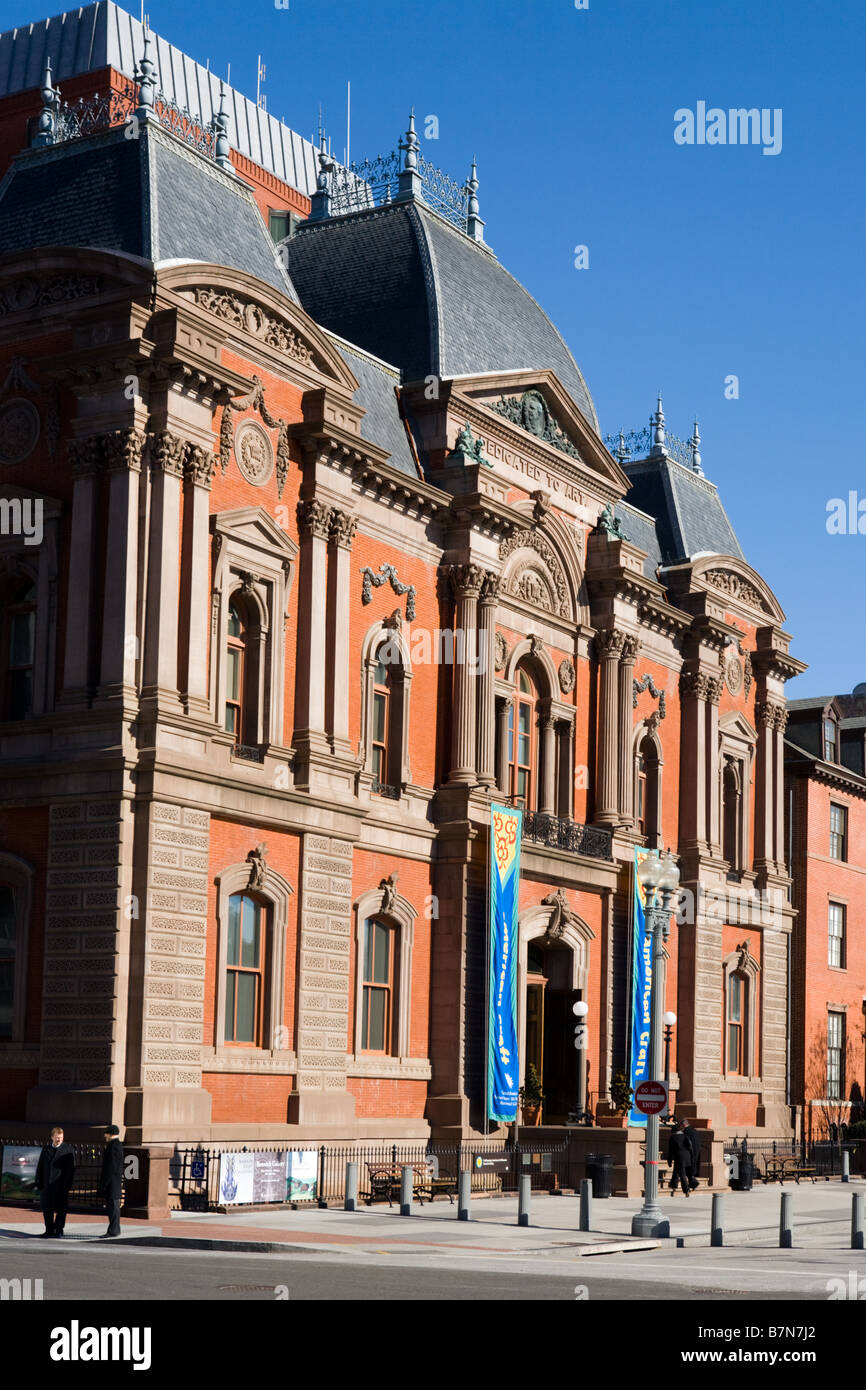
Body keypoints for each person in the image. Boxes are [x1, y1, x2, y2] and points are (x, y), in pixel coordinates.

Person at [35, 1126, 75, 1238]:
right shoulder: (46, 1149)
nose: (59, 1140)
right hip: (47, 1185)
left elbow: (71, 1170)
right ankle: (49, 1230)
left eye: (61, 1137)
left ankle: (59, 1229)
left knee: (61, 1209)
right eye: (57, 1137)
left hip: (61, 1185)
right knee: (47, 1209)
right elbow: (40, 1166)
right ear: (52, 1137)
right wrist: (38, 1181)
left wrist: (67, 1185)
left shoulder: (68, 1150)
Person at [99, 1124, 124, 1238]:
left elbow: (111, 1167)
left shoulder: (113, 1146)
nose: (105, 1136)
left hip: (112, 1183)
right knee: (113, 1207)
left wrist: (104, 1183)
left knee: (113, 1208)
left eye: (106, 1133)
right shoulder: (117, 1145)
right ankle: (114, 1229)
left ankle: (113, 1230)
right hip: (114, 1182)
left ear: (110, 1134)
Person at [667, 1121, 692, 1196]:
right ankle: (673, 1184)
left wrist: (669, 1161)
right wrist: (691, 1156)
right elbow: (690, 1146)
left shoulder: (673, 1138)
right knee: (676, 1170)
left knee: (682, 1174)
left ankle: (686, 1190)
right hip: (687, 1157)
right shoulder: (685, 1136)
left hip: (679, 1157)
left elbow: (670, 1150)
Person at [681, 1118, 702, 1189]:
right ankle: (692, 1183)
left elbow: (685, 1143)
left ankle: (693, 1183)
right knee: (692, 1168)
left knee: (687, 1169)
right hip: (697, 1151)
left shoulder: (686, 1132)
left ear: (684, 1125)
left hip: (690, 1153)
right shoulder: (694, 1131)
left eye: (681, 1126)